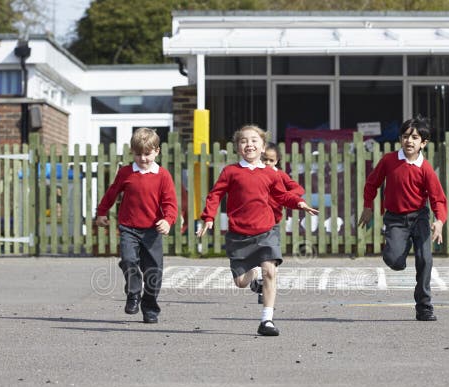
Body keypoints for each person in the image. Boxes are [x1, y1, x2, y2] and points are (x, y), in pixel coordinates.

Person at [197, 125, 318, 336]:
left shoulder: (270, 173)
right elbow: (215, 195)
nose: (249, 144)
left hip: (266, 230)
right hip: (239, 234)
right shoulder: (230, 172)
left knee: (270, 270)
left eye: (254, 140)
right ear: (237, 147)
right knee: (241, 282)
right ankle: (253, 275)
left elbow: (282, 195)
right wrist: (209, 216)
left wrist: (298, 203)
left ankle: (267, 320)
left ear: (262, 147)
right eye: (244, 141)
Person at [357, 116, 447, 321]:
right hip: (395, 219)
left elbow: (438, 199)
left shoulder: (426, 169)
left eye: (415, 137)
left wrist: (439, 221)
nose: (409, 141)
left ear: (423, 143)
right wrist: (368, 206)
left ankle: (424, 306)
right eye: (405, 136)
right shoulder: (389, 161)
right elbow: (372, 183)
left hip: (420, 218)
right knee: (394, 261)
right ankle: (400, 248)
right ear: (400, 139)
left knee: (425, 259)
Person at [95, 128, 177, 324]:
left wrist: (168, 220)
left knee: (153, 271)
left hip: (152, 230)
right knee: (129, 260)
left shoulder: (163, 176)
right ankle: (133, 294)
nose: (143, 158)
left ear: (157, 151)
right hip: (129, 227)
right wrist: (101, 213)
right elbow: (111, 193)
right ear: (132, 152)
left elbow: (170, 203)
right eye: (138, 154)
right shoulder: (126, 172)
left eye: (147, 154)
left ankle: (150, 308)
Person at [252, 142, 306, 303]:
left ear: (277, 161)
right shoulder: (254, 173)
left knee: (271, 257)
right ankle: (259, 280)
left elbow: (298, 189)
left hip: (273, 222)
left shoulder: (280, 175)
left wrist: (285, 196)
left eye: (271, 160)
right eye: (264, 159)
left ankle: (264, 287)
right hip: (255, 220)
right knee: (258, 255)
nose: (267, 163)